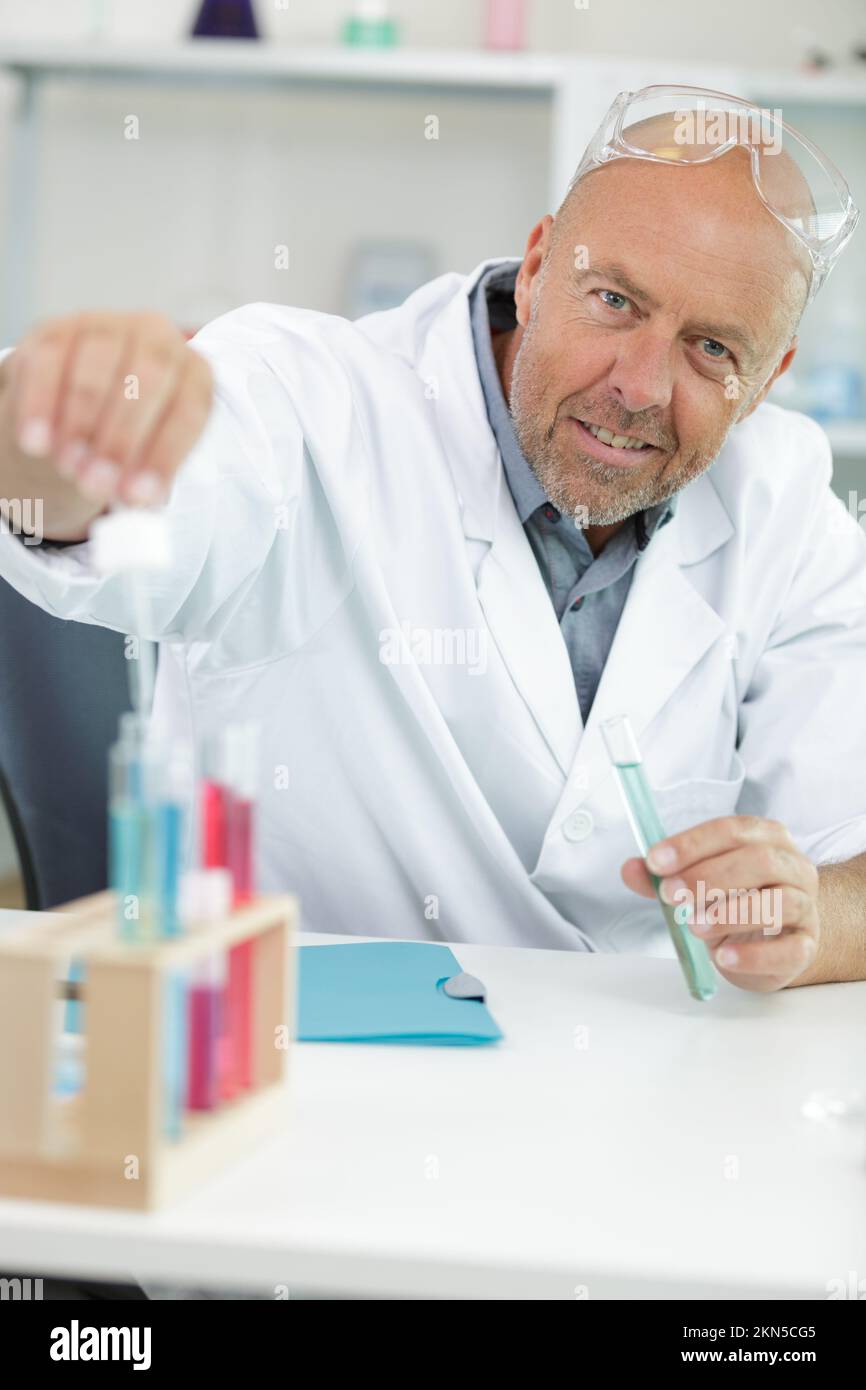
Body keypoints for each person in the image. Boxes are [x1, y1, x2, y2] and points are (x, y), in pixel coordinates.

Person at [0, 85, 864, 993]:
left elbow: (854, 865)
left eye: (713, 351)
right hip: (312, 1077)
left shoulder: (786, 495)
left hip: (646, 1088)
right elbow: (100, 505)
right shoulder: (308, 399)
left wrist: (812, 914)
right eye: (613, 300)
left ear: (767, 381)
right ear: (536, 270)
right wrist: (53, 429)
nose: (641, 385)